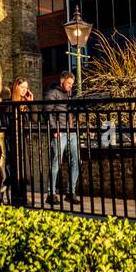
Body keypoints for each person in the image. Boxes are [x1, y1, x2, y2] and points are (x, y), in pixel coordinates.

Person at [45, 71, 80, 205]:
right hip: (60, 132)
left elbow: (71, 112)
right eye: (69, 83)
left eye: (72, 84)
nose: (71, 86)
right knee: (56, 162)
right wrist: (54, 129)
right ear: (62, 81)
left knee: (76, 161)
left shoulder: (69, 94)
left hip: (71, 132)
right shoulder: (52, 92)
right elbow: (48, 112)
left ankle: (70, 193)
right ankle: (51, 194)